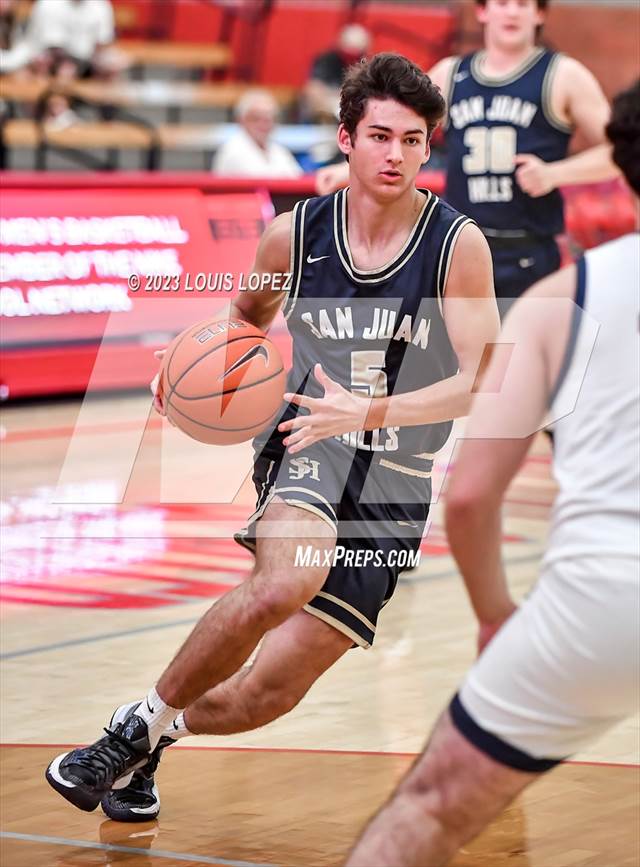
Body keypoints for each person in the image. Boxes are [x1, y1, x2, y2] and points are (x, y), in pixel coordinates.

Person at [45, 52, 499, 822]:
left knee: (269, 692)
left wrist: (370, 411)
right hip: (307, 444)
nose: (396, 154)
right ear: (346, 138)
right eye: (381, 136)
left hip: (395, 476)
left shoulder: (457, 244)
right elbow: (245, 320)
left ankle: (154, 734)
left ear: (429, 147)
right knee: (285, 580)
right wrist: (196, 353)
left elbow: (480, 378)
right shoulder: (295, 234)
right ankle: (128, 732)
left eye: (413, 140)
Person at [346, 78, 640, 867]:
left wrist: (493, 610)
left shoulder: (564, 292)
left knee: (430, 810)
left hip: (607, 601)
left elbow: (471, 494)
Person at [317, 0, 620, 308]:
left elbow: (621, 150)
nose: (512, 12)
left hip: (527, 251)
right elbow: (394, 127)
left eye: (522, 4)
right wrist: (346, 171)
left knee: (512, 353)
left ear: (540, 13)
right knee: (440, 352)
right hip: (456, 243)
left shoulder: (564, 74)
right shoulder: (451, 73)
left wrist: (555, 174)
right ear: (482, 11)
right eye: (502, 3)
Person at [212, 88, 303, 179]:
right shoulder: (232, 150)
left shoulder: (278, 150)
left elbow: (298, 178)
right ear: (241, 120)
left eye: (269, 119)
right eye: (256, 118)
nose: (263, 124)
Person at [303, 23, 371, 122]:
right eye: (349, 51)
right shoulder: (326, 60)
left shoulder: (367, 63)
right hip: (325, 113)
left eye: (356, 52)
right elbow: (313, 89)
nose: (352, 58)